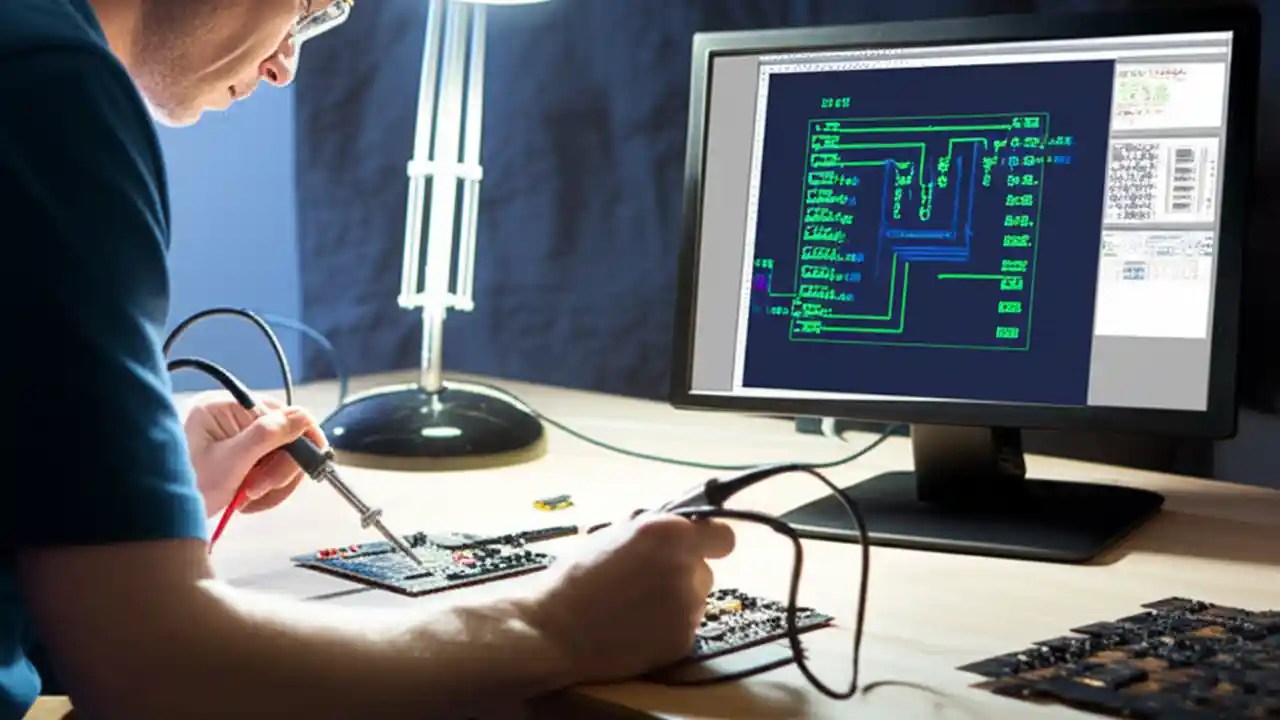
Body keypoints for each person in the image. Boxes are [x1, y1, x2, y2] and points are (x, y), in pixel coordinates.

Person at [0, 0, 735, 717]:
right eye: (312, 7)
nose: (287, 65)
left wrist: (120, 507)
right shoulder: (45, 84)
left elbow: (71, 631)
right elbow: (151, 672)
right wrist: (554, 626)